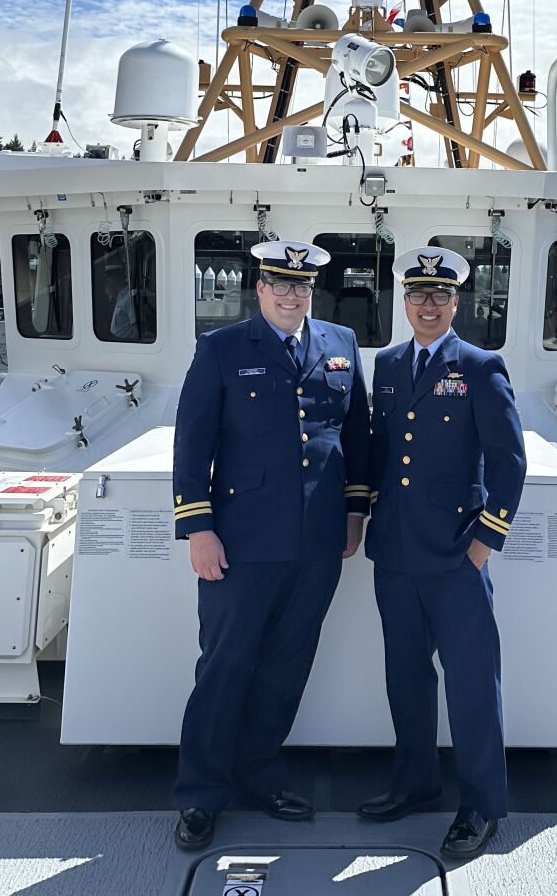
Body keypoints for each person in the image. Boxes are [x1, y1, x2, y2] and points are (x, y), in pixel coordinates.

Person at [171, 239, 370, 851]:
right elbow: (192, 443)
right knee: (224, 667)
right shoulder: (224, 348)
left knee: (287, 667)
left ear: (314, 290)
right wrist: (197, 527)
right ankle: (201, 797)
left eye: (302, 285)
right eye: (279, 284)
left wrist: (355, 511)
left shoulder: (340, 344)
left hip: (316, 543)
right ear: (259, 289)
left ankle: (260, 777)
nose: (291, 295)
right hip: (241, 541)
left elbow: (355, 432)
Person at [359, 246, 526, 860]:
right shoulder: (389, 362)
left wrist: (487, 540)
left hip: (458, 554)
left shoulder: (481, 366)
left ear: (457, 303)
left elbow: (510, 462)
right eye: (416, 294)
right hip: (397, 552)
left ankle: (481, 806)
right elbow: (381, 450)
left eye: (439, 296)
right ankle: (416, 782)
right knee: (405, 675)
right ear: (403, 302)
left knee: (472, 683)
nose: (427, 305)